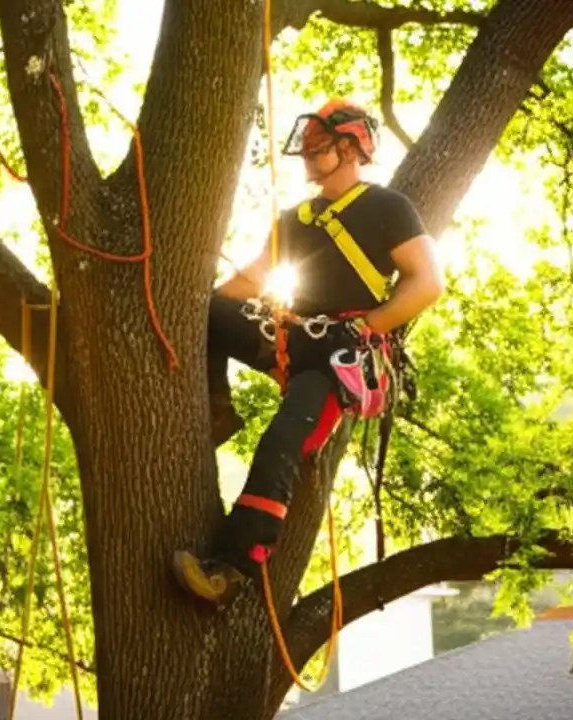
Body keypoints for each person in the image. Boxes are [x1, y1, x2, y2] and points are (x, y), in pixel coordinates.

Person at [173, 99, 446, 605]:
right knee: (209, 312)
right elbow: (252, 280)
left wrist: (367, 326)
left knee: (281, 443)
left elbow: (427, 282)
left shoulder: (388, 208)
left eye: (318, 145)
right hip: (294, 338)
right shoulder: (295, 220)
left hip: (337, 359)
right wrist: (193, 299)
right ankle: (217, 409)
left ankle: (231, 570)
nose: (306, 152)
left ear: (351, 148)